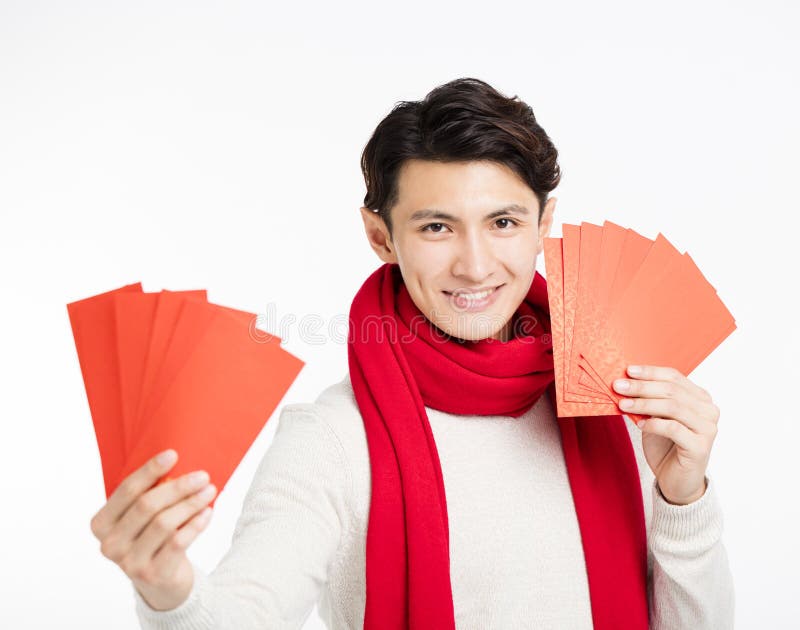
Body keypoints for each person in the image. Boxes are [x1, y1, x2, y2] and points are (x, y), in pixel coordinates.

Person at [90, 77, 735, 629]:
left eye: (504, 222)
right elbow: (247, 611)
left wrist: (684, 499)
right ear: (380, 236)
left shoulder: (621, 402)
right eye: (436, 227)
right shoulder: (334, 439)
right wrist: (169, 589)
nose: (476, 265)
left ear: (544, 225)